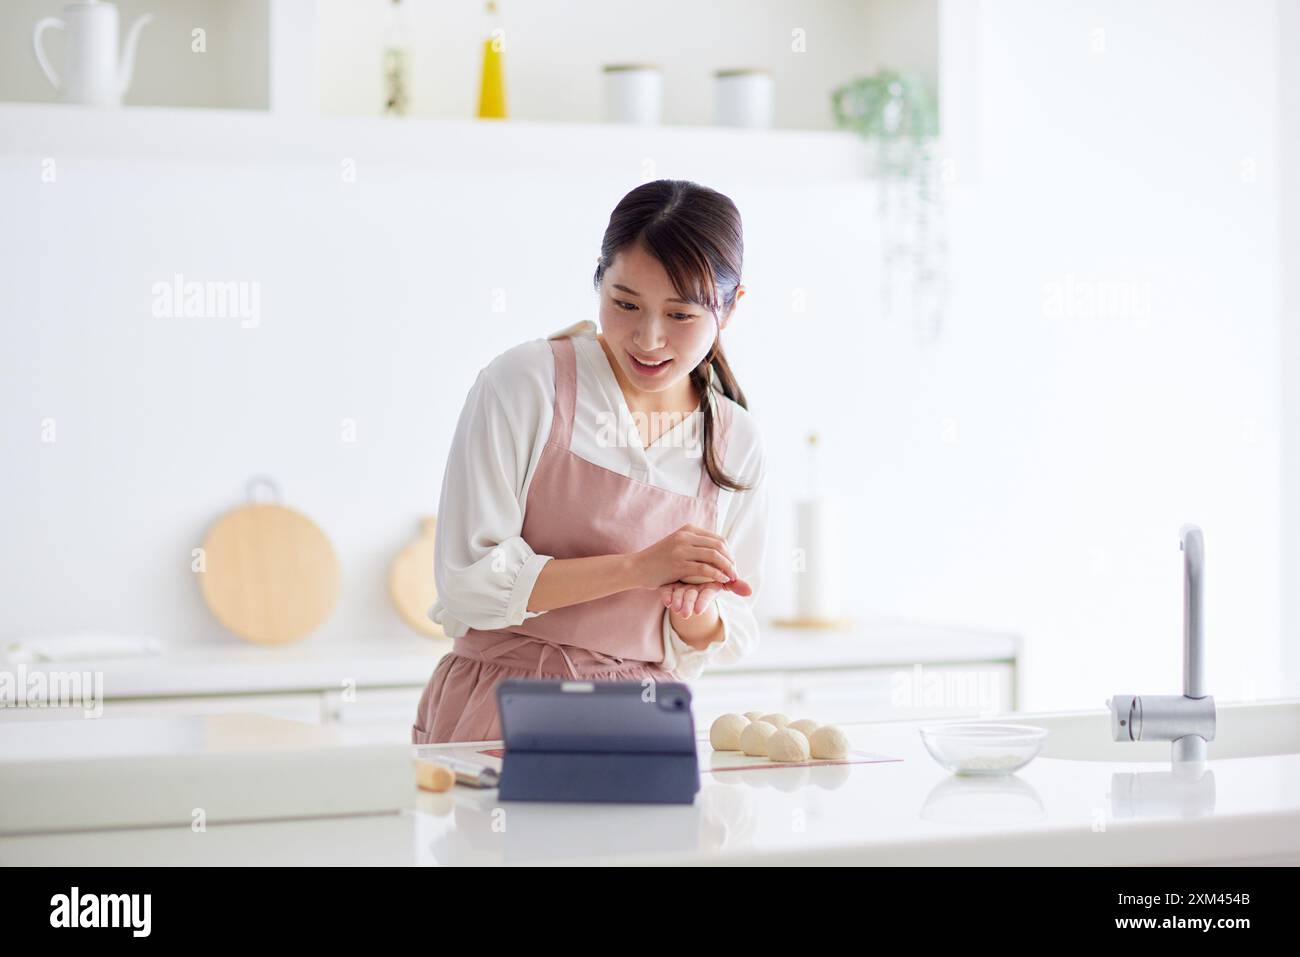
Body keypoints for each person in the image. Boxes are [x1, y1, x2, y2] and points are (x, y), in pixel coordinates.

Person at [411, 179, 769, 743]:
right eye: (625, 304)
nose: (648, 338)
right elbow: (466, 583)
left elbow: (726, 634)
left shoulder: (734, 439)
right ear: (598, 279)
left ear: (731, 307)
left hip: (643, 721)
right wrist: (639, 568)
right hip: (501, 705)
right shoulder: (526, 383)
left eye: (680, 315)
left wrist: (690, 604)